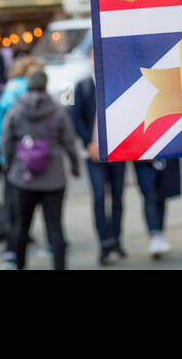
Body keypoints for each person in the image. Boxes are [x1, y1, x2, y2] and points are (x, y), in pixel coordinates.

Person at [1, 68, 79, 270]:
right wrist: (75, 166)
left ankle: (19, 265)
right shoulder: (57, 110)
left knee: (21, 226)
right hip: (53, 179)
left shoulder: (16, 109)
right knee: (55, 227)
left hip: (22, 177)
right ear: (46, 85)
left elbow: (6, 140)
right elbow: (69, 142)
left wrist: (10, 165)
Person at [70, 58, 125, 265]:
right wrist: (88, 144)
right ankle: (104, 243)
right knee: (100, 196)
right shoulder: (82, 86)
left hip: (117, 151)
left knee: (118, 197)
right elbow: (75, 118)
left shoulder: (117, 82)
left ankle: (116, 239)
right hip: (92, 153)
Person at [0, 54, 44, 267]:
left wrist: (3, 153)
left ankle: (13, 251)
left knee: (15, 205)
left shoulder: (11, 88)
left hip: (13, 156)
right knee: (23, 206)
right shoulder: (26, 89)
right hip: (31, 156)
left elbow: (0, 125)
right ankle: (13, 251)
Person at [134, 156, 181, 258]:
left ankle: (160, 233)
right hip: (143, 154)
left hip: (164, 156)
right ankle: (154, 234)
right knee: (149, 194)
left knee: (161, 195)